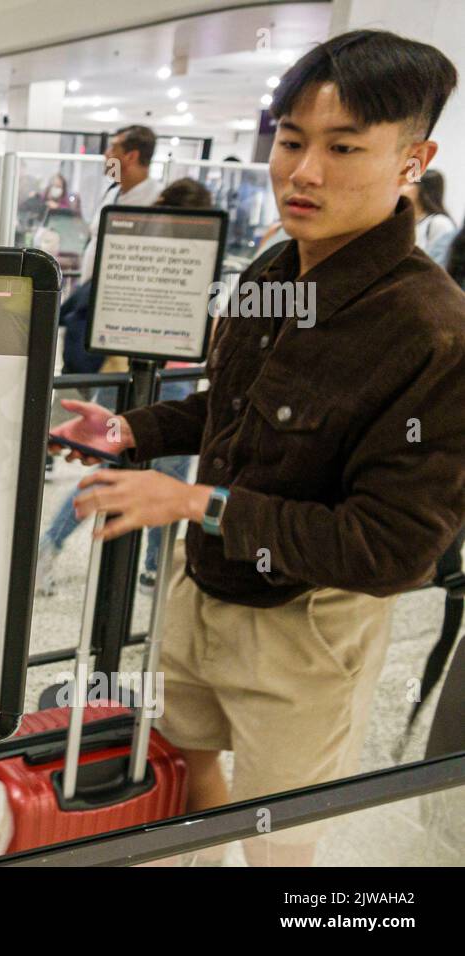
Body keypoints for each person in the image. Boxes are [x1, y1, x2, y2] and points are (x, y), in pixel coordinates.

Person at [54, 29, 465, 866]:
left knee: (279, 836)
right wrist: (138, 430)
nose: (303, 172)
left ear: (411, 160)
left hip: (305, 627)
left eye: (343, 147)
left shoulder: (433, 331)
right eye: (290, 142)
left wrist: (198, 503)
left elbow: (393, 549)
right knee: (186, 767)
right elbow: (232, 411)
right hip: (202, 585)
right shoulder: (275, 268)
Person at [36, 178, 212, 596]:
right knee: (122, 471)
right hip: (157, 377)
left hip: (154, 377)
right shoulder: (185, 260)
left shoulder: (143, 253)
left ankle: (151, 567)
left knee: (138, 474)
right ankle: (141, 567)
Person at [81, 125, 162, 281]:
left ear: (131, 156)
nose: (106, 155)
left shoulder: (158, 200)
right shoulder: (113, 193)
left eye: (113, 148)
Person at [403, 168, 455, 265]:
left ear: (423, 190)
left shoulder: (440, 223)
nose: (402, 188)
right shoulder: (406, 222)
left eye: (409, 183)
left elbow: (442, 264)